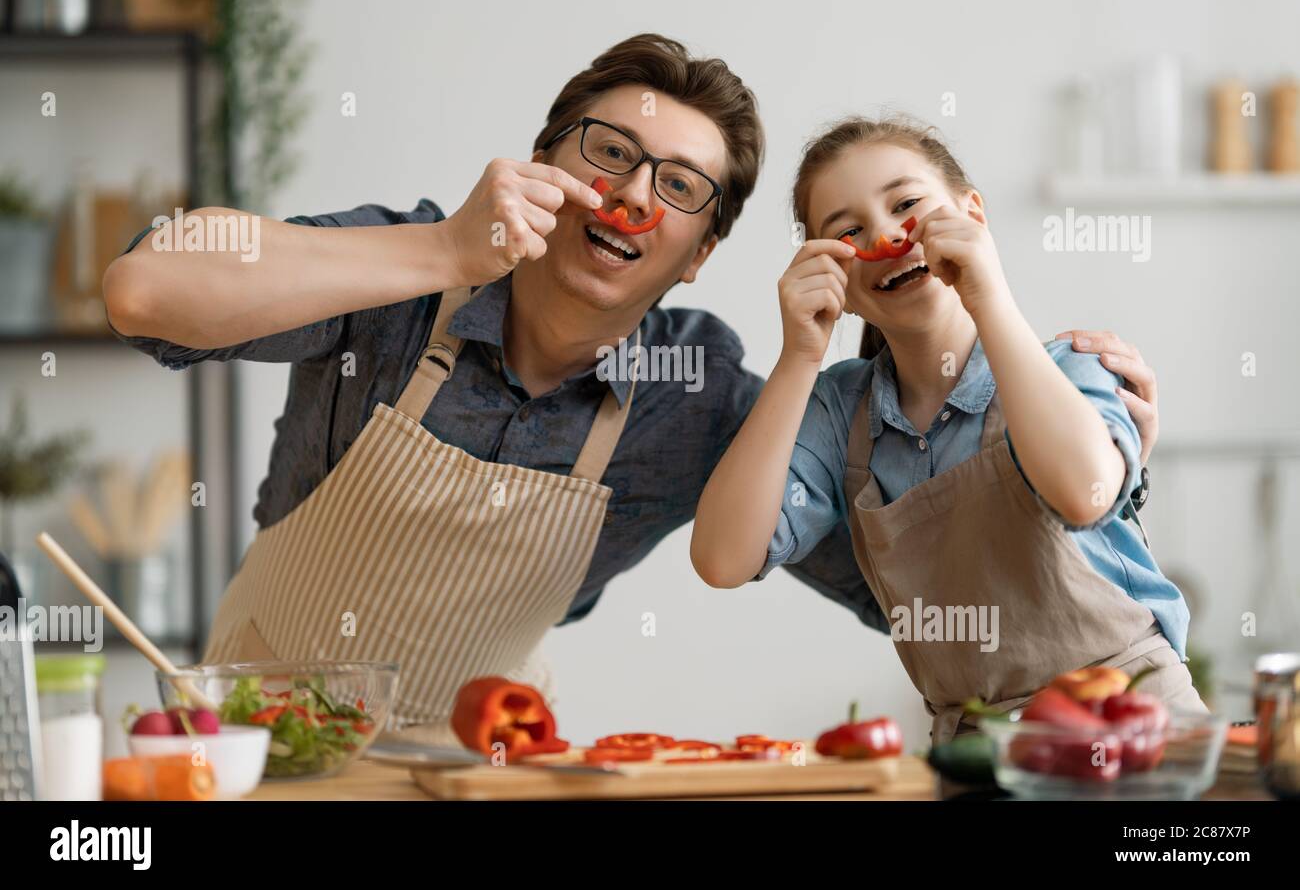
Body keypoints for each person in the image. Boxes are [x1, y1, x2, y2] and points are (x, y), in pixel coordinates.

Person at [104, 36, 1163, 740]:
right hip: (242, 757)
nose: (628, 197)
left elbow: (907, 561)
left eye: (680, 186)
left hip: (478, 769)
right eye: (608, 152)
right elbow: (144, 286)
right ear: (545, 164)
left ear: (699, 253)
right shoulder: (398, 272)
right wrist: (440, 246)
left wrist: (1100, 475)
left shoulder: (694, 392)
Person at [691, 116, 1202, 744]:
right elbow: (720, 559)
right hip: (977, 752)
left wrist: (987, 294)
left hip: (1139, 724)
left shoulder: (1072, 365)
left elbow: (1084, 493)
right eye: (848, 231)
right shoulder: (836, 410)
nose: (883, 234)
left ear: (972, 215)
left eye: (906, 204)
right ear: (839, 280)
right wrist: (799, 354)